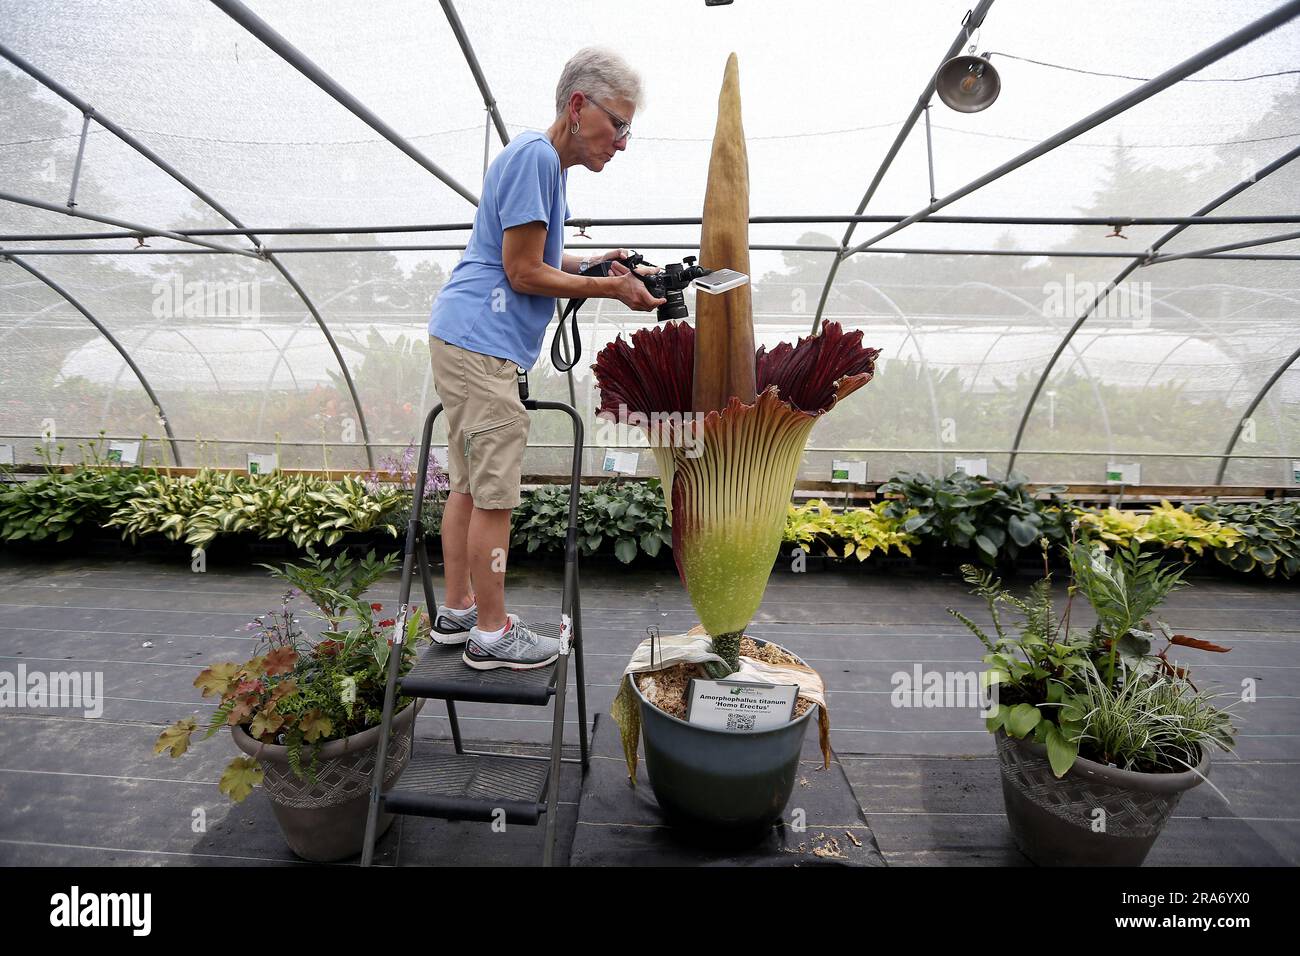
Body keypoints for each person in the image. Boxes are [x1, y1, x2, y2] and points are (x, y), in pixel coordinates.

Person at [426, 47, 665, 671]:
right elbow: (522, 272)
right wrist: (612, 288)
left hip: (463, 337)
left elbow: (540, 261)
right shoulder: (536, 156)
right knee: (497, 493)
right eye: (619, 125)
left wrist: (601, 263)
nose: (622, 141)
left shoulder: (543, 165)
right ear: (578, 106)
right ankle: (492, 633)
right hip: (483, 344)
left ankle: (457, 612)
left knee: (471, 485)